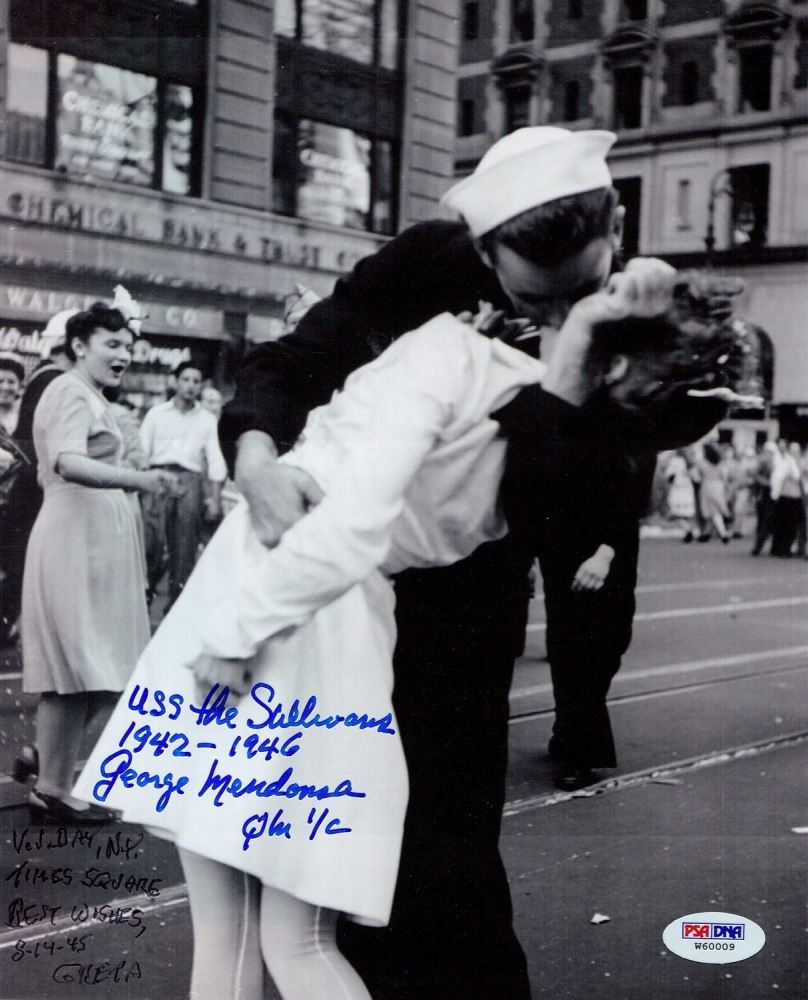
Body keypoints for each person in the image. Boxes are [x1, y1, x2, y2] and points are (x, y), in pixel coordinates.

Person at [74, 271, 744, 1000]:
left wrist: (237, 630)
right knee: (290, 940)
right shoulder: (554, 447)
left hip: (274, 598)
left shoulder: (462, 361)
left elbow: (350, 520)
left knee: (244, 937)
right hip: (335, 629)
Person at [207, 125, 737, 1000]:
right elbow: (292, 359)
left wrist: (636, 357)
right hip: (341, 597)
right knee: (328, 855)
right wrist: (257, 452)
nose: (556, 315)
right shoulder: (422, 268)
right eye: (534, 296)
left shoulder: (636, 309)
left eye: (578, 290)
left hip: (467, 601)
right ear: (484, 252)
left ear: (616, 223)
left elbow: (603, 466)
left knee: (448, 854)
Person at [19, 301, 178, 823]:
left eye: (128, 346)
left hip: (93, 541)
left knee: (93, 669)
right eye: (112, 344)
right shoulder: (68, 389)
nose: (123, 355)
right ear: (79, 346)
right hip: (75, 539)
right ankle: (52, 785)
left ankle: (49, 773)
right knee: (80, 665)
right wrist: (140, 479)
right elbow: (68, 462)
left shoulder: (89, 395)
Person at [1, 316, 75, 652]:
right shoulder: (54, 379)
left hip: (27, 484)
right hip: (34, 485)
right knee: (22, 563)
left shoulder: (45, 377)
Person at [140, 361, 227, 606]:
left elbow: (215, 459)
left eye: (196, 381)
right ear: (175, 381)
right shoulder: (157, 414)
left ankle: (176, 607)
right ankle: (143, 599)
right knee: (151, 543)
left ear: (201, 386)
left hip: (190, 480)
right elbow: (142, 451)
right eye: (186, 379)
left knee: (185, 547)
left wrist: (214, 500)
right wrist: (141, 483)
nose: (190, 386)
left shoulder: (207, 420)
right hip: (157, 477)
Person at [0, 355, 24, 435]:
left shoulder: (26, 413)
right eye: (0, 381)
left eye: (11, 382)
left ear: (20, 386)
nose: (5, 387)